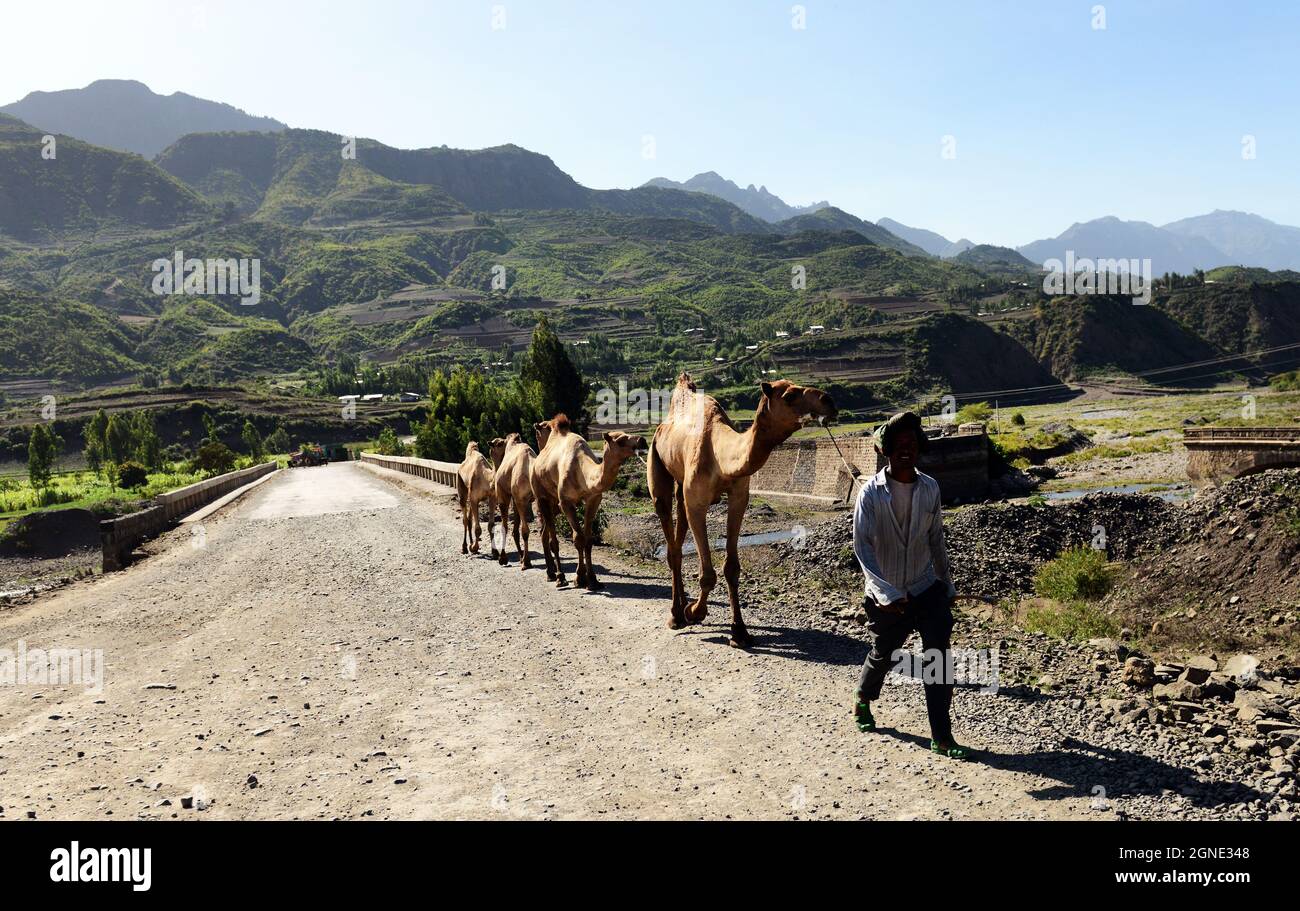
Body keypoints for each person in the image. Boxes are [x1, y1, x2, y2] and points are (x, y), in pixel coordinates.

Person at [851, 411, 969, 759]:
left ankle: (942, 735)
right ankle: (863, 698)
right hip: (885, 593)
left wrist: (945, 583)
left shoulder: (930, 488)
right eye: (899, 445)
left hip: (923, 585)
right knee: (883, 652)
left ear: (919, 449)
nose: (906, 450)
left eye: (912, 444)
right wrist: (885, 592)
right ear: (886, 450)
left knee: (938, 656)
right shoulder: (870, 495)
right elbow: (862, 547)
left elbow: (936, 540)